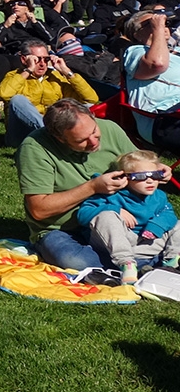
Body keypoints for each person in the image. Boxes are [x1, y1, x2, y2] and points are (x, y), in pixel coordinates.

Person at [17, 99, 141, 270]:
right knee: (73, 261)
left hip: (115, 221)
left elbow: (141, 164)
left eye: (94, 131)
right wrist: (93, 187)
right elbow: (39, 210)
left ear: (93, 116)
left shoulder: (110, 128)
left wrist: (156, 170)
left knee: (163, 229)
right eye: (81, 140)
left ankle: (125, 262)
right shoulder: (34, 148)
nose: (93, 142)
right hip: (64, 229)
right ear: (60, 138)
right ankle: (137, 261)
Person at [76, 150, 179, 284]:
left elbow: (168, 213)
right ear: (125, 178)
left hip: (146, 243)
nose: (150, 181)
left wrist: (156, 226)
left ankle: (171, 262)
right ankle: (127, 265)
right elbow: (83, 215)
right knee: (106, 216)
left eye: (155, 175)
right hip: (115, 244)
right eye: (141, 176)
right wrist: (115, 210)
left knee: (177, 224)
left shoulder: (159, 196)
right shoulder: (111, 194)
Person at [0, 39, 97, 147]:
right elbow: (3, 94)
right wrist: (29, 70)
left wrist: (66, 71)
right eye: (37, 60)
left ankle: (76, 136)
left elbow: (91, 99)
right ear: (24, 59)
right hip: (20, 135)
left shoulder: (56, 77)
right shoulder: (14, 76)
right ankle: (55, 138)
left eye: (46, 59)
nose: (42, 64)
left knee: (86, 107)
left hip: (51, 127)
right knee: (17, 100)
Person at [123, 10, 180, 150]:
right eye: (151, 23)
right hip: (163, 121)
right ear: (136, 34)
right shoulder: (135, 51)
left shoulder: (176, 52)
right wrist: (158, 28)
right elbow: (157, 64)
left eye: (165, 23)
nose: (163, 25)